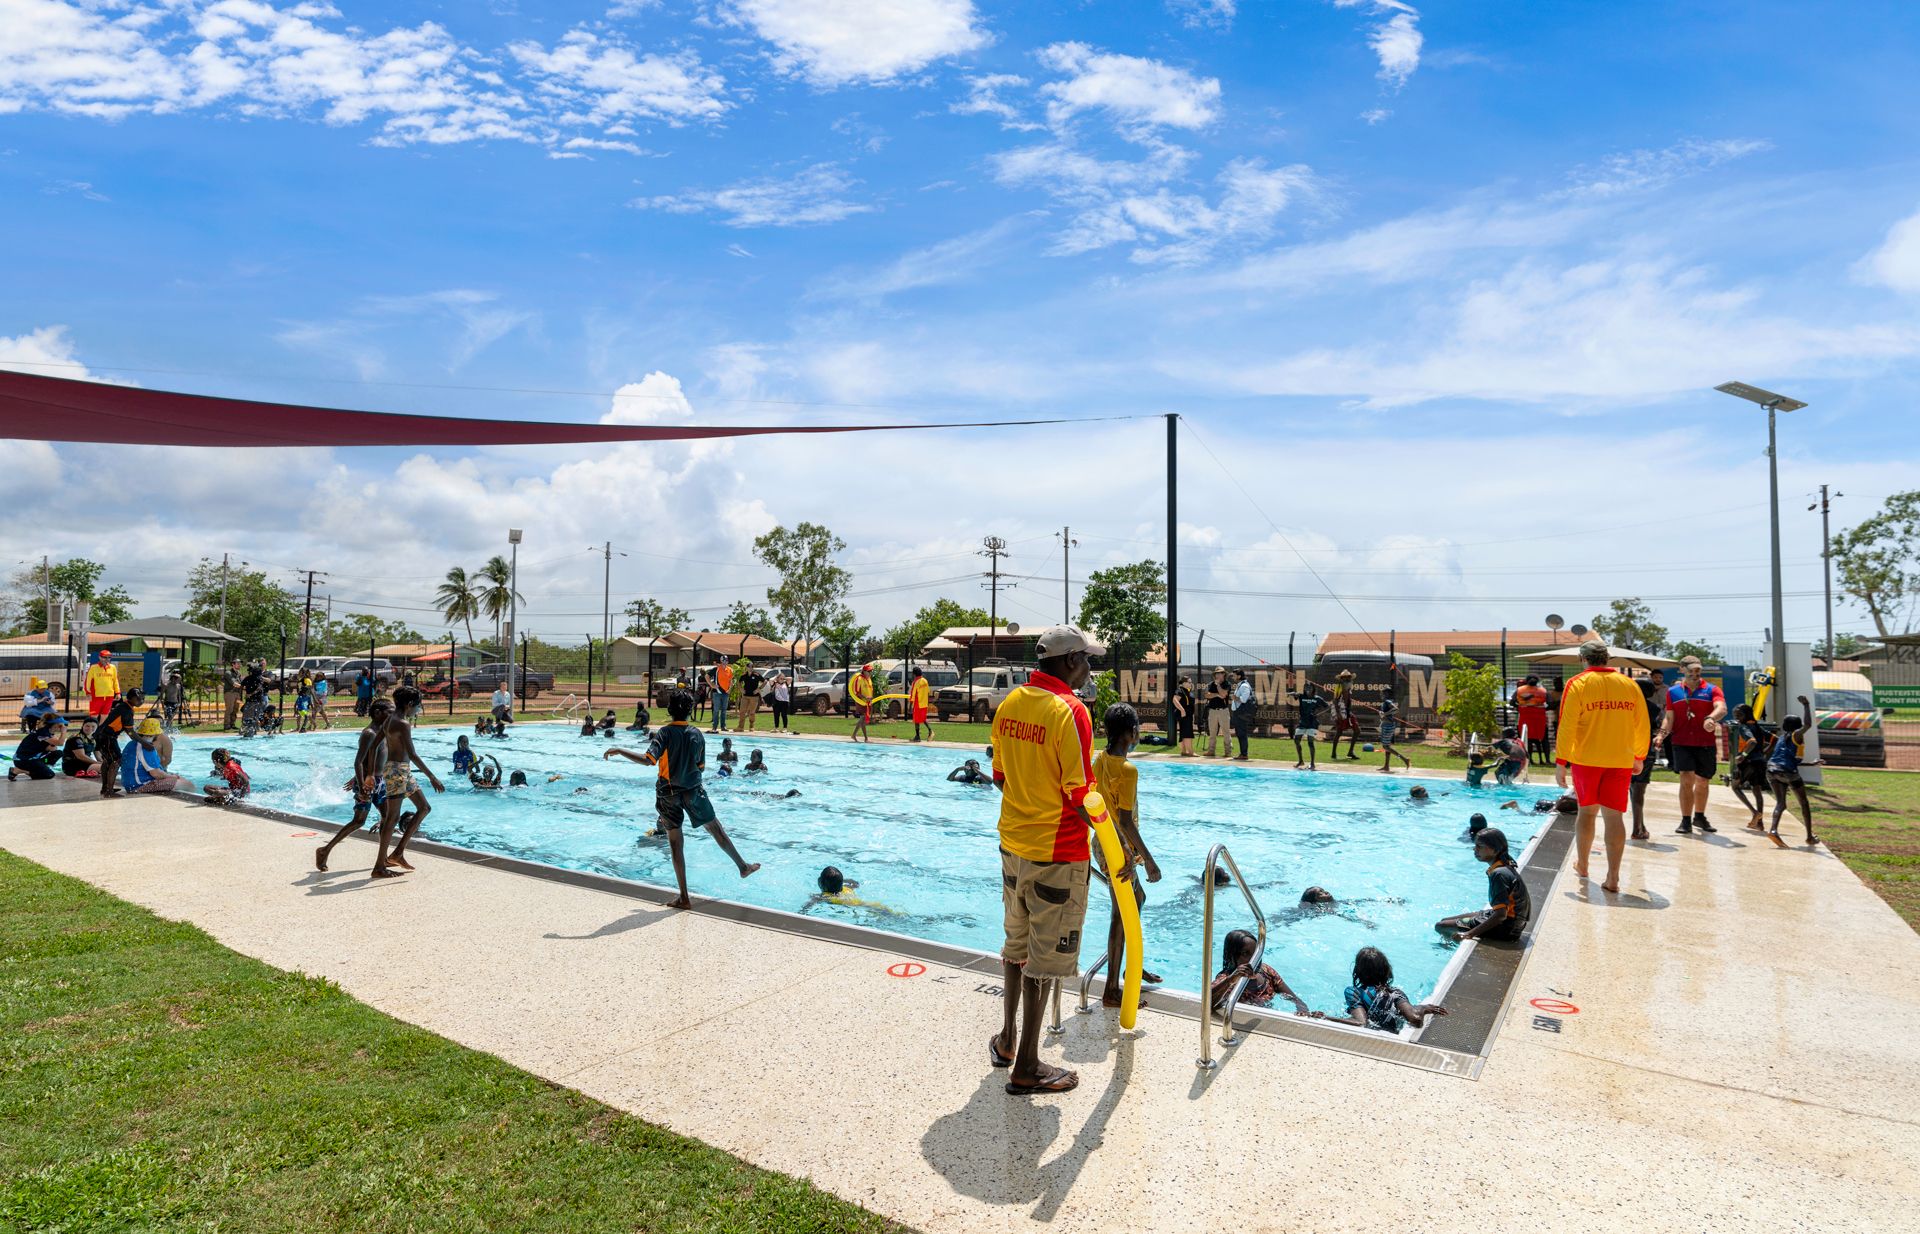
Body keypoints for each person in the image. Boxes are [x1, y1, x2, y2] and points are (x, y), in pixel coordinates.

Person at [986, 624, 1101, 1096]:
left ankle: (1009, 1040)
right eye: (1087, 659)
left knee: (1016, 948)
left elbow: (999, 778)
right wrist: (1113, 844)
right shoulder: (1070, 712)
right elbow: (1080, 796)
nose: (1090, 668)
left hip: (1013, 846)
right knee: (1045, 961)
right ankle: (1028, 1066)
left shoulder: (1010, 703)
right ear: (1071, 660)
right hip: (1058, 852)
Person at [603, 689, 759, 908]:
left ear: (669, 710)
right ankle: (742, 866)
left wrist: (620, 750)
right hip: (694, 791)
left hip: (668, 794)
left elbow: (649, 760)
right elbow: (701, 767)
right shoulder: (697, 734)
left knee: (676, 844)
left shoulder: (664, 733)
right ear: (691, 710)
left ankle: (684, 897)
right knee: (716, 829)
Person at [1554, 641, 1651, 894]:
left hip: (1587, 760)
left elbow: (1567, 725)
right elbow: (1642, 724)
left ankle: (1583, 865)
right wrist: (1639, 755)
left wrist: (1561, 762)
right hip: (1620, 760)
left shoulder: (1577, 684)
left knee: (1586, 813)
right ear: (1607, 659)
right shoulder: (1629, 685)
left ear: (1582, 659)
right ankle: (1613, 877)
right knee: (1614, 817)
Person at [1092, 703, 1164, 1009]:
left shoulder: (1099, 759)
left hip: (1104, 843)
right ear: (1133, 733)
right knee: (1121, 914)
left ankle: (1130, 964)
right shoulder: (1128, 770)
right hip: (1119, 847)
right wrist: (1149, 859)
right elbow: (1124, 820)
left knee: (1136, 902)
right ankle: (1112, 988)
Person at [315, 698, 394, 874]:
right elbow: (358, 761)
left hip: (379, 782)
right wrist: (360, 783)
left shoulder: (383, 731)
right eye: (390, 711)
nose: (394, 715)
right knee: (359, 821)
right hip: (366, 784)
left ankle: (383, 859)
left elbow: (371, 759)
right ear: (378, 713)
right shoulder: (369, 733)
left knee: (388, 819)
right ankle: (324, 850)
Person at [375, 686, 444, 875]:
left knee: (424, 808)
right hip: (398, 771)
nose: (419, 708)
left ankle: (398, 852)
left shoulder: (390, 720)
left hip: (400, 770)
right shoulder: (402, 723)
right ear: (410, 704)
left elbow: (375, 744)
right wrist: (432, 777)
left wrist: (376, 771)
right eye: (418, 705)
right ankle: (379, 866)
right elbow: (412, 754)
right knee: (392, 818)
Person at [1657, 656, 1725, 836]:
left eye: (1698, 671)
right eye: (1691, 671)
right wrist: (1661, 735)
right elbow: (1669, 717)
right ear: (1682, 670)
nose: (1695, 675)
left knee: (1703, 781)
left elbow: (1721, 708)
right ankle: (1685, 819)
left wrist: (1711, 718)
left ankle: (1700, 817)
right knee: (1686, 780)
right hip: (1681, 742)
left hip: (1705, 743)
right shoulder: (1673, 692)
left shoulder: (1712, 689)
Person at [1435, 827, 1532, 942]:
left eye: (1479, 846)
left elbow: (1501, 915)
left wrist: (1468, 934)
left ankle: (1450, 945)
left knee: (1441, 926)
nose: (1474, 849)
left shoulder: (1499, 874)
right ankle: (1451, 941)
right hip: (1514, 924)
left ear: (1495, 850)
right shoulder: (1505, 864)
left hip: (1507, 929)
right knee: (1445, 919)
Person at [1333, 947, 1448, 1033]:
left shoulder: (1353, 992)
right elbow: (1415, 1018)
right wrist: (1422, 1007)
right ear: (1387, 970)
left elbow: (1360, 1023)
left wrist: (1325, 1018)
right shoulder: (1395, 993)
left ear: (1357, 972)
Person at [1209, 928, 1311, 1015]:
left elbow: (1295, 999)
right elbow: (1206, 1003)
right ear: (1231, 957)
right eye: (1246, 953)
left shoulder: (1267, 972)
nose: (1254, 959)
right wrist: (1231, 980)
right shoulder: (1227, 980)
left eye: (1256, 952)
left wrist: (1303, 1012)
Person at [1767, 695, 1820, 848]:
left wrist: (1812, 764)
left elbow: (1789, 760)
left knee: (1781, 803)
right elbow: (1808, 724)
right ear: (1797, 726)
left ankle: (1773, 830)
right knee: (1804, 803)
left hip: (1772, 771)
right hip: (1787, 773)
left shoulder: (1781, 739)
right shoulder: (1796, 735)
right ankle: (1809, 837)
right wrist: (1806, 705)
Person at [1628, 672, 1666, 841]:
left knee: (1632, 789)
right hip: (1645, 752)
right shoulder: (1654, 709)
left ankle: (1640, 826)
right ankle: (1638, 828)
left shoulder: (1627, 707)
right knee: (1639, 791)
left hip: (1626, 751)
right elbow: (1659, 726)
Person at [1728, 703, 1773, 831]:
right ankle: (1760, 823)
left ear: (1746, 714)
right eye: (1735, 715)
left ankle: (1754, 813)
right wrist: (1764, 752)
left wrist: (1743, 754)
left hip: (1748, 762)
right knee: (1757, 791)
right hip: (1760, 762)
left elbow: (1752, 741)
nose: (1737, 718)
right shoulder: (1758, 726)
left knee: (1735, 787)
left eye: (1739, 715)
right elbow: (1774, 739)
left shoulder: (1744, 727)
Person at [94, 688, 141, 798]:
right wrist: (144, 743)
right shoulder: (127, 710)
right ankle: (109, 791)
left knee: (108, 761)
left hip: (101, 735)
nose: (141, 701)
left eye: (142, 698)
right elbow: (130, 732)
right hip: (107, 737)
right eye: (138, 698)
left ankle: (105, 788)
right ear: (130, 698)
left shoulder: (123, 706)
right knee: (116, 761)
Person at [122, 717, 188, 794]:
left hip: (129, 785)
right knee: (185, 783)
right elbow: (156, 774)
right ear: (156, 734)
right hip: (139, 786)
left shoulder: (131, 744)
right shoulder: (148, 747)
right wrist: (174, 777)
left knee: (174, 778)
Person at [805, 866, 898, 914]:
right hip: (871, 906)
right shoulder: (848, 887)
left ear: (821, 883)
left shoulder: (823, 897)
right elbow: (855, 883)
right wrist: (840, 881)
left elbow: (808, 906)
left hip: (864, 907)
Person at [9, 716, 62, 781]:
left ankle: (42, 768)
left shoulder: (47, 732)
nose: (63, 726)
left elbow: (53, 749)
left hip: (32, 759)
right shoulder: (43, 734)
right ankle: (19, 770)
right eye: (61, 724)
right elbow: (60, 743)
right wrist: (64, 732)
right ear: (55, 725)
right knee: (49, 775)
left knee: (58, 753)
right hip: (23, 761)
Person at [1514, 675, 1552, 766]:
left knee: (1528, 739)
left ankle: (1529, 760)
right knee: (1544, 738)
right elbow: (1550, 704)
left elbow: (1512, 702)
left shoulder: (1520, 690)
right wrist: (1541, 709)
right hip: (1540, 718)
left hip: (1525, 716)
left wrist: (1521, 707)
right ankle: (1547, 760)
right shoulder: (1543, 691)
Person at [1291, 679, 1324, 770]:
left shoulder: (1317, 698)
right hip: (1302, 722)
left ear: (1313, 688)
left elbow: (1327, 707)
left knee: (1310, 742)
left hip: (1312, 723)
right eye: (1306, 687)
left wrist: (1318, 713)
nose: (1308, 689)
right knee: (1296, 740)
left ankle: (1312, 763)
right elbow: (1296, 696)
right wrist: (1294, 694)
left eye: (1309, 687)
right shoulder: (1301, 696)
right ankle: (1301, 761)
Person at [1328, 669, 1361, 760]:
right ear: (1342, 679)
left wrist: (1348, 711)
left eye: (1348, 677)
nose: (1347, 679)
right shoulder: (1339, 687)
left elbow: (1347, 701)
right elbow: (1335, 700)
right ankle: (1333, 753)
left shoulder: (1349, 687)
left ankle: (1350, 752)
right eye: (1345, 678)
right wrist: (1338, 713)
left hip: (1347, 712)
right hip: (1340, 712)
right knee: (1339, 732)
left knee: (1357, 730)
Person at [1374, 694, 1411, 772]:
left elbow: (1396, 709)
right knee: (1387, 746)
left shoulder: (1388, 701)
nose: (1381, 695)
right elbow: (1386, 714)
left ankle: (1405, 759)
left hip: (1388, 726)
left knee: (1386, 747)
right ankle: (1386, 766)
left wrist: (1385, 714)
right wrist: (1382, 714)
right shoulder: (1384, 703)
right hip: (1385, 725)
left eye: (1383, 693)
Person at [1202, 666, 1231, 758]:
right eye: (1216, 673)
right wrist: (1217, 694)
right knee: (1212, 732)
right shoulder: (1211, 684)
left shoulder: (1227, 684)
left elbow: (1223, 695)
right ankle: (1211, 751)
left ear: (1224, 674)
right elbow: (1207, 695)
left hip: (1223, 711)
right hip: (1212, 711)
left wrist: (1218, 686)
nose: (1218, 675)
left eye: (1220, 673)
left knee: (1226, 732)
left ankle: (1228, 752)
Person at [83, 650, 120, 719]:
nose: (107, 659)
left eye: (109, 657)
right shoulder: (93, 667)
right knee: (93, 716)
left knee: (105, 715)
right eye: (104, 657)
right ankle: (93, 729)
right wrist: (88, 692)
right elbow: (87, 681)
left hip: (109, 696)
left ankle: (100, 729)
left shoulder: (113, 667)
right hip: (96, 696)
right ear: (100, 657)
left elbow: (115, 681)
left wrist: (117, 692)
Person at [1230, 668, 1255, 760]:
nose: (1233, 677)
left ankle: (1244, 754)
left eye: (1234, 675)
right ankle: (1242, 753)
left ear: (1239, 676)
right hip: (1238, 712)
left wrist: (1234, 697)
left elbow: (1243, 699)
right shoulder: (1240, 685)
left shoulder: (1244, 686)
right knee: (1239, 733)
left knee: (1242, 734)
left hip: (1241, 713)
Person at [847, 664, 875, 743]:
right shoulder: (859, 679)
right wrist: (865, 698)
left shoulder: (869, 679)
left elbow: (870, 690)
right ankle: (864, 738)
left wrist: (870, 699)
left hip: (867, 702)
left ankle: (857, 736)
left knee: (863, 719)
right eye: (869, 671)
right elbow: (857, 692)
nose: (870, 672)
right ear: (864, 671)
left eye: (871, 671)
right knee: (862, 718)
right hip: (861, 701)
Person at [1172, 674, 1195, 757]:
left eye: (1191, 682)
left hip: (1188, 715)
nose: (1190, 684)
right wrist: (1182, 710)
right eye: (1189, 682)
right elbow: (1174, 700)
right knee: (1187, 733)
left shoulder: (1188, 691)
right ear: (1184, 683)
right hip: (1184, 715)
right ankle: (1191, 752)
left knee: (1183, 733)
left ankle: (1184, 751)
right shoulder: (1180, 691)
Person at [908, 667, 933, 743]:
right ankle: (929, 731)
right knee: (922, 718)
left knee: (916, 719)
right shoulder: (925, 681)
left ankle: (918, 736)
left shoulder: (916, 682)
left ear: (914, 674)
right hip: (924, 703)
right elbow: (928, 692)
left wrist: (910, 707)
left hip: (918, 703)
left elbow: (913, 695)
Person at [737, 664, 763, 732]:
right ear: (746, 667)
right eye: (749, 667)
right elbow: (739, 682)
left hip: (754, 697)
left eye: (752, 667)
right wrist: (741, 689)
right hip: (745, 696)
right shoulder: (744, 675)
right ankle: (740, 727)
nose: (750, 668)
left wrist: (759, 689)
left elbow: (765, 681)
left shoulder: (756, 675)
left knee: (752, 712)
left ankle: (751, 726)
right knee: (742, 711)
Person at [710, 660, 734, 733]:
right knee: (716, 710)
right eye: (723, 661)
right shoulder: (716, 669)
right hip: (717, 692)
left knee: (724, 710)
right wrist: (711, 685)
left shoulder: (730, 669)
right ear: (721, 661)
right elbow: (706, 676)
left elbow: (732, 680)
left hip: (726, 693)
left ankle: (723, 726)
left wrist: (730, 689)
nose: (724, 662)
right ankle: (714, 727)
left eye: (726, 661)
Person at [222, 661, 243, 730]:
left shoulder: (239, 673)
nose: (239, 665)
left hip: (237, 693)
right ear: (233, 664)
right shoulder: (228, 673)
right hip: (230, 693)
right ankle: (226, 725)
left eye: (240, 663)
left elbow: (240, 682)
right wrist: (244, 687)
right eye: (237, 663)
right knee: (229, 709)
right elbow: (234, 683)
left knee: (235, 709)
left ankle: (232, 724)